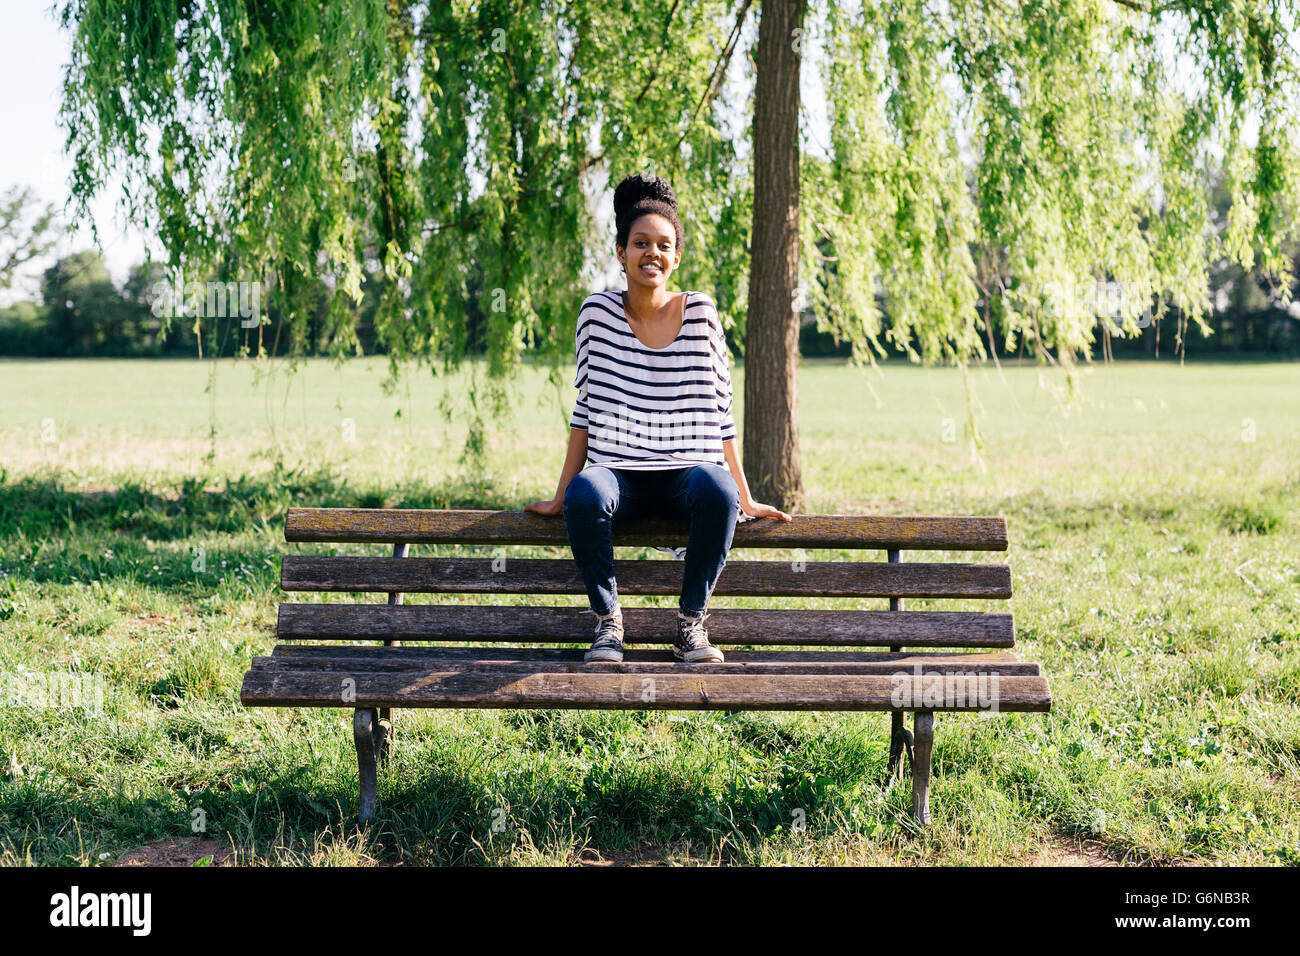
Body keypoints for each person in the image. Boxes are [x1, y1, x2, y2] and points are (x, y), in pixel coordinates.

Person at [525, 172, 792, 664]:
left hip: (685, 476)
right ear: (621, 252)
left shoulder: (701, 313)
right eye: (640, 242)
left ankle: (691, 627)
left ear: (676, 257)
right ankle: (609, 626)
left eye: (663, 245)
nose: (652, 253)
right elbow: (584, 412)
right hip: (619, 477)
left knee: (719, 491)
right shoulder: (595, 314)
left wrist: (746, 496)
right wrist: (563, 492)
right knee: (587, 493)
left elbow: (721, 410)